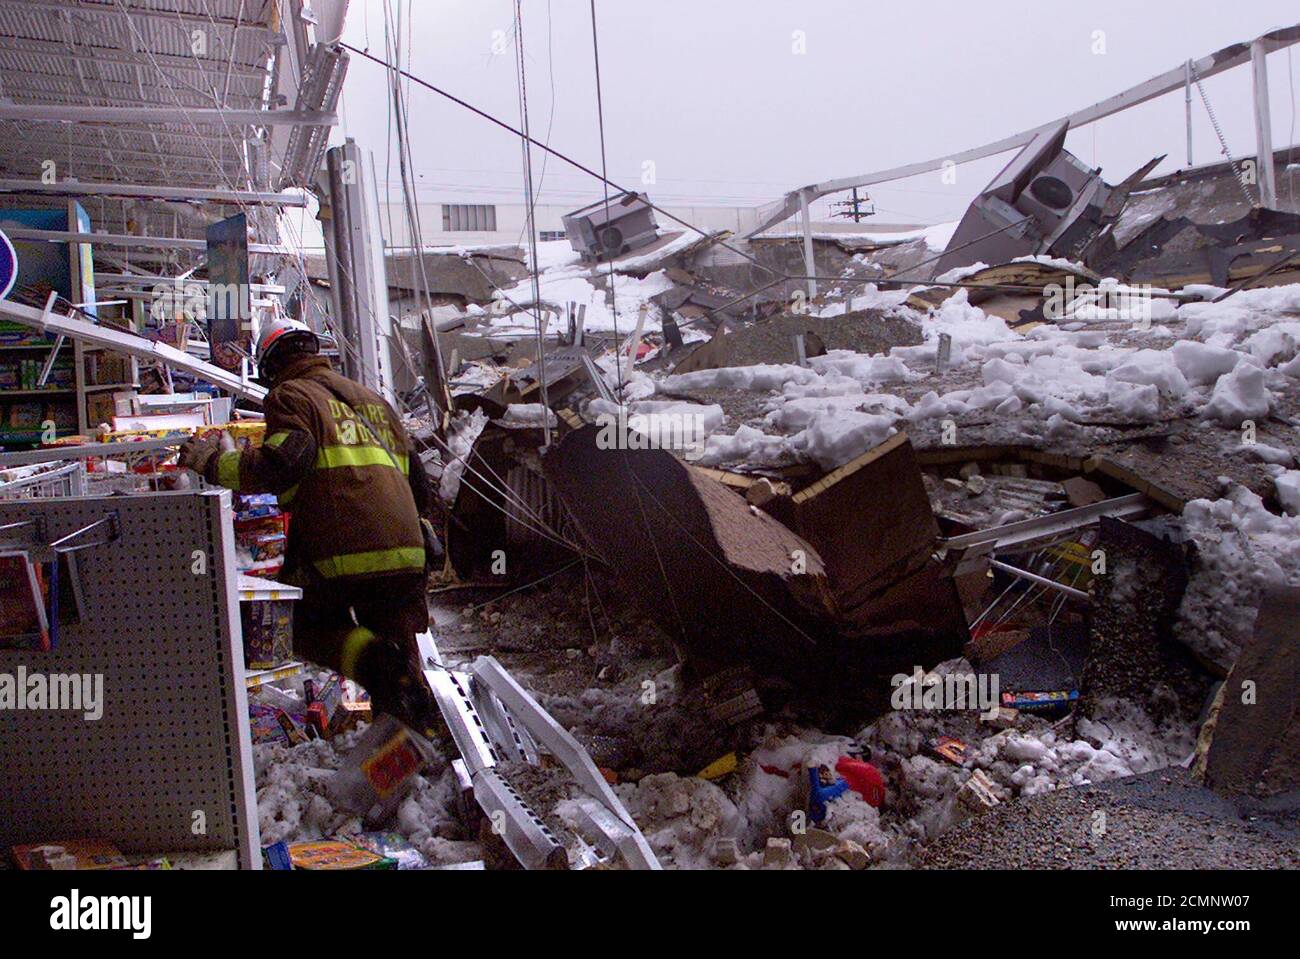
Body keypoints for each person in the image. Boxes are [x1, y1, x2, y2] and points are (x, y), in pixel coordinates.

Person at [178, 318, 441, 737]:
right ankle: (420, 744)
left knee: (302, 627)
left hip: (347, 550)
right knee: (401, 658)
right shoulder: (372, 401)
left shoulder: (290, 394)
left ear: (271, 366)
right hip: (408, 550)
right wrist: (422, 526)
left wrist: (211, 462)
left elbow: (286, 462)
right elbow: (418, 478)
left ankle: (377, 666)